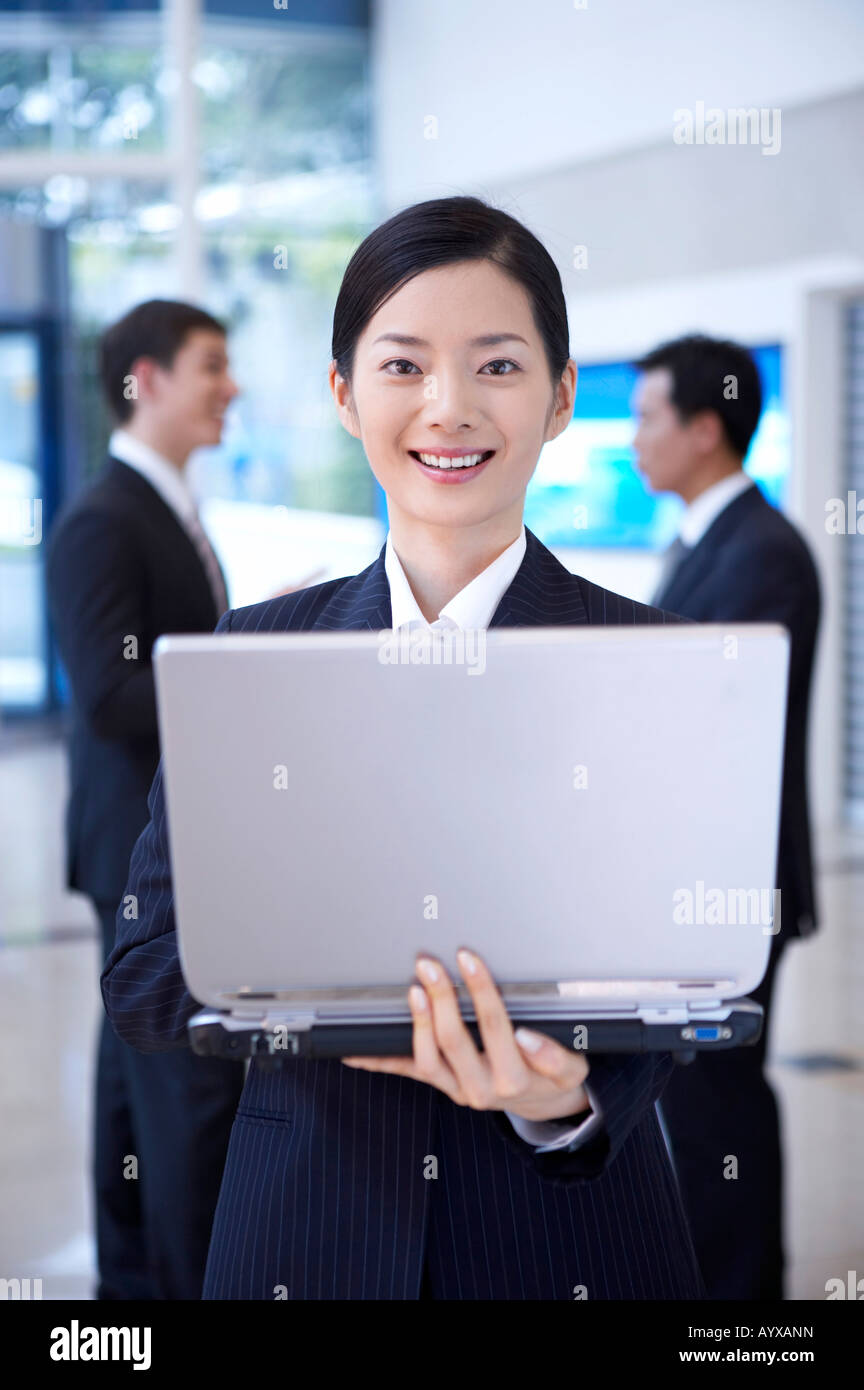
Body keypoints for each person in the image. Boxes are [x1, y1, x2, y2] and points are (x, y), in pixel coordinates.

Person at [102, 196, 705, 1301]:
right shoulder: (254, 653)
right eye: (403, 366)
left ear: (564, 397)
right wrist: (314, 1011)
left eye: (498, 366)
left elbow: (682, 992)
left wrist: (557, 1097)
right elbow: (144, 973)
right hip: (309, 1227)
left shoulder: (650, 659)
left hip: (569, 1237)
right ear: (344, 394)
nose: (449, 408)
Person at [46, 300, 246, 1298]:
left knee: (137, 1088)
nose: (232, 386)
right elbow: (109, 692)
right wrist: (237, 659)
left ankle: (138, 1288)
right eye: (212, 365)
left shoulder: (167, 506)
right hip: (139, 853)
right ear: (147, 380)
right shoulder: (103, 518)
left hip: (159, 844)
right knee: (185, 1090)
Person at [633, 333, 821, 1299]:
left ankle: (742, 1305)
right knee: (702, 1101)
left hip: (735, 877)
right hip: (703, 872)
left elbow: (716, 716)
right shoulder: (713, 541)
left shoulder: (761, 551)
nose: (634, 440)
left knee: (721, 1103)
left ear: (706, 429)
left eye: (648, 418)